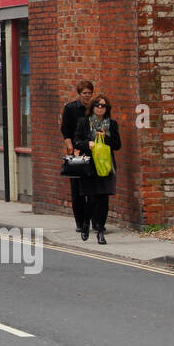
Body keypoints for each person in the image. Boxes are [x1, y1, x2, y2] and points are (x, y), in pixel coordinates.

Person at [73, 94, 121, 244]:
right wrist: (88, 143)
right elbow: (77, 141)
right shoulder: (84, 122)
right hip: (89, 166)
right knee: (92, 199)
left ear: (107, 109)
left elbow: (118, 145)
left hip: (106, 166)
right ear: (92, 107)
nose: (100, 108)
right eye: (97, 105)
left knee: (103, 200)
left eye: (103, 106)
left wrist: (105, 138)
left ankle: (100, 231)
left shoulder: (111, 124)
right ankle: (86, 223)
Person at [61, 79, 97, 238]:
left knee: (94, 189)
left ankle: (94, 221)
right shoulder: (71, 109)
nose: (87, 96)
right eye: (84, 93)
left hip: (93, 152)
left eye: (89, 93)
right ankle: (80, 222)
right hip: (76, 152)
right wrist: (70, 150)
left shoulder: (97, 108)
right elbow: (66, 131)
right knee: (77, 191)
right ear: (79, 94)